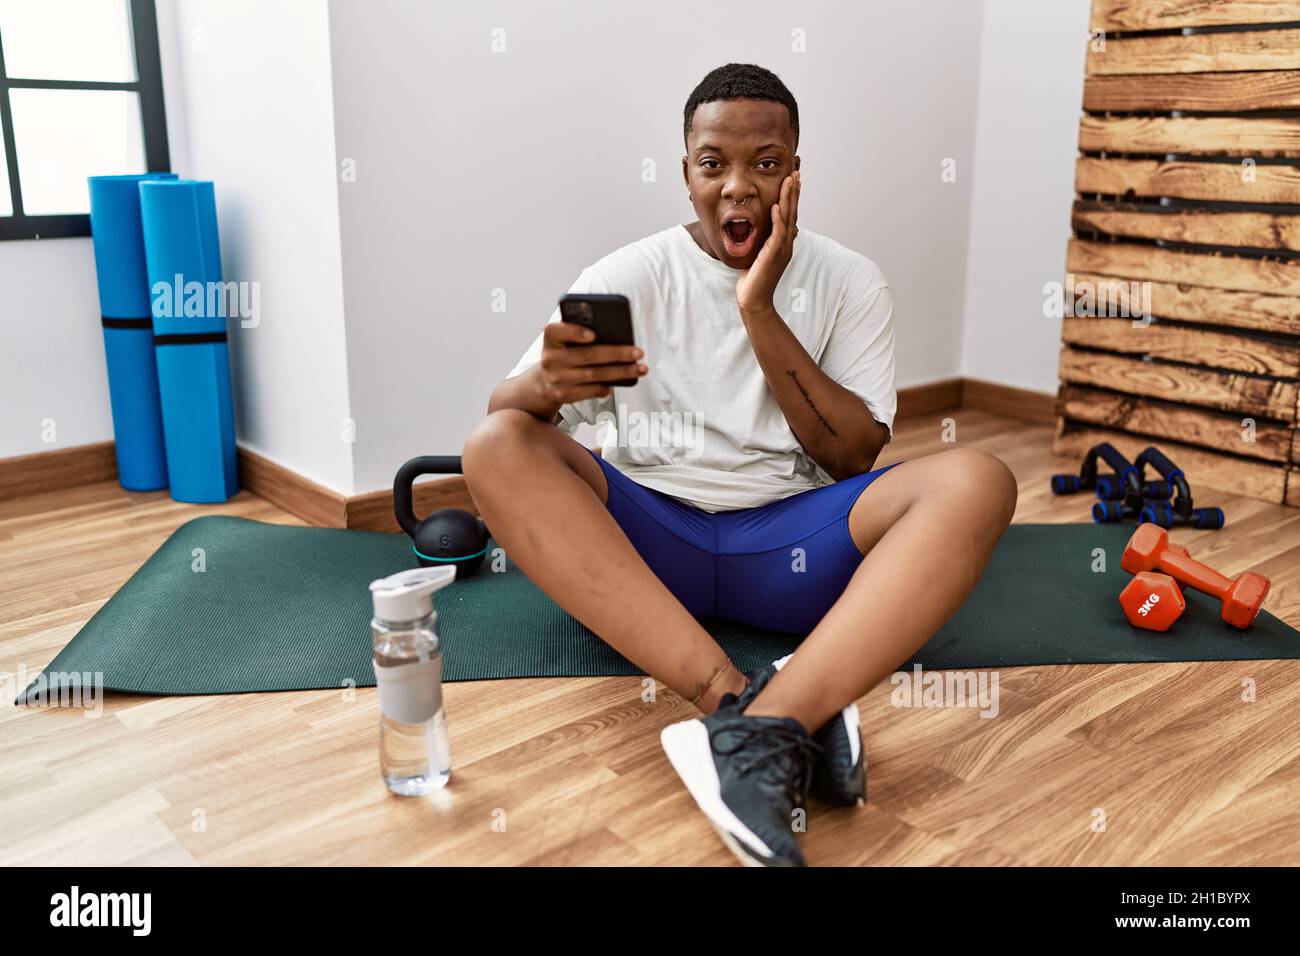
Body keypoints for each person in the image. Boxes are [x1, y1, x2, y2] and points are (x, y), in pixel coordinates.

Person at [463, 63, 1017, 866]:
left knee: (980, 479)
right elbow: (505, 426)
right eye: (713, 163)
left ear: (795, 172)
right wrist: (542, 387)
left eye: (766, 163)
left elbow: (853, 453)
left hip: (794, 554)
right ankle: (743, 708)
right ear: (685, 172)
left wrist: (757, 306)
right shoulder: (625, 275)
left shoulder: (851, 280)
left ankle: (764, 722)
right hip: (650, 555)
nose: (738, 187)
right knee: (496, 441)